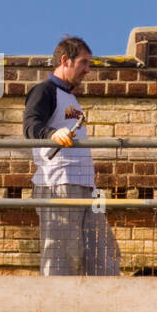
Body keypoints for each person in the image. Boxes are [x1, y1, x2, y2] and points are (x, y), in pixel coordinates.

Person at [23, 35, 121, 275]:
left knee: (103, 255)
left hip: (86, 187)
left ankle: (102, 309)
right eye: (84, 63)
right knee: (60, 256)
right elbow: (30, 126)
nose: (88, 70)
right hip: (59, 184)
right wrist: (52, 134)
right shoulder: (44, 91)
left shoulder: (71, 97)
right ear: (65, 60)